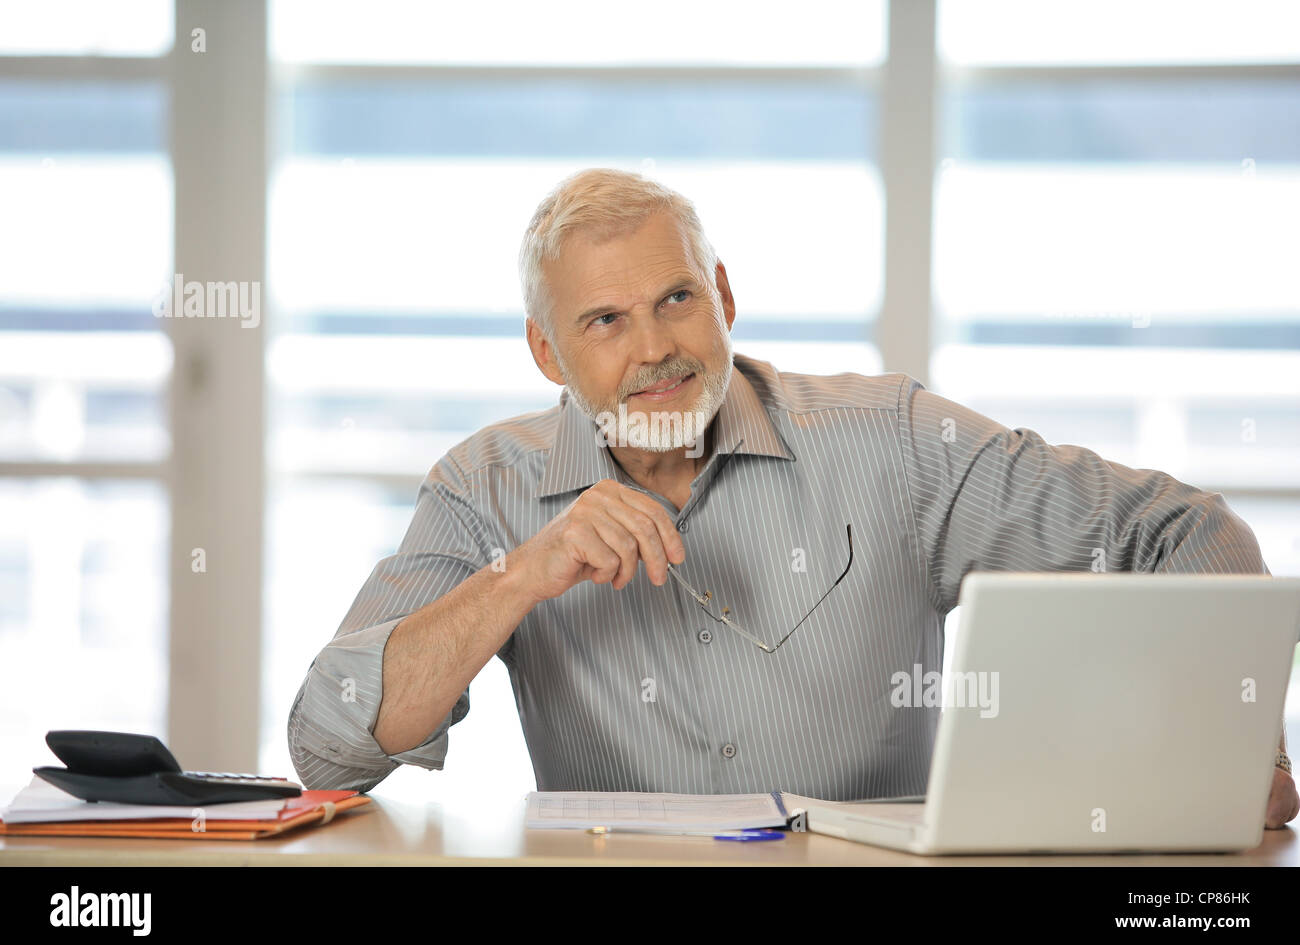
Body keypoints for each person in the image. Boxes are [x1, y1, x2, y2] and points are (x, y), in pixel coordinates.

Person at [287, 167, 1297, 828]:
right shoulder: (485, 487)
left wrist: (1229, 733)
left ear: (723, 298)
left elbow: (1177, 529)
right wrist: (519, 575)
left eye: (676, 299)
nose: (653, 348)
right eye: (604, 320)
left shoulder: (895, 440)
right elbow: (328, 744)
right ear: (546, 350)